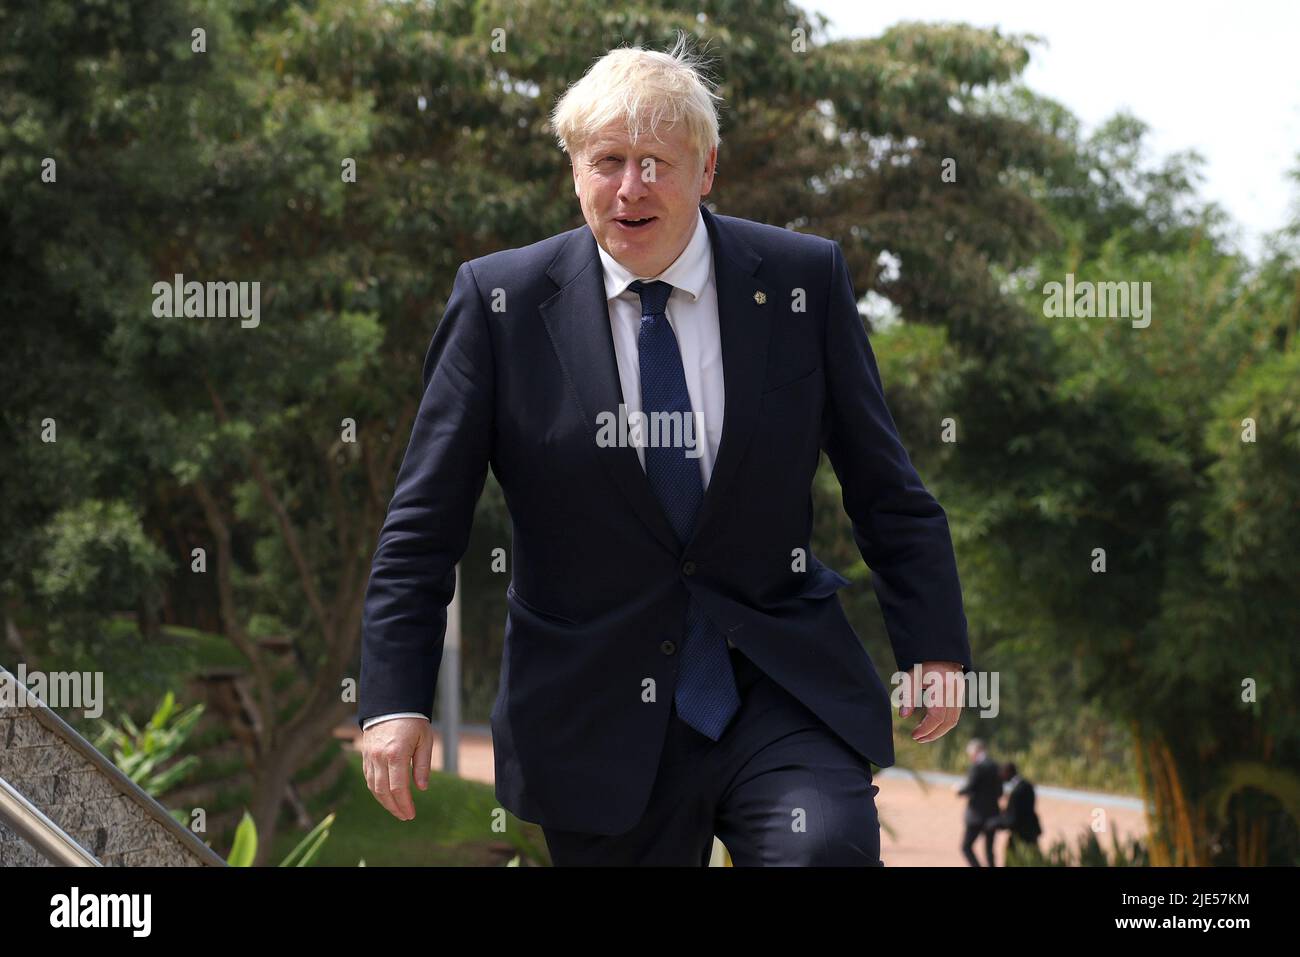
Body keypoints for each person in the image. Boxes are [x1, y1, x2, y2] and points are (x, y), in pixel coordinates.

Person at [356, 35, 972, 866]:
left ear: (707, 169)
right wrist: (394, 698)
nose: (630, 188)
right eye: (607, 160)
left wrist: (932, 641)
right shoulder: (498, 304)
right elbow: (422, 523)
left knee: (822, 851)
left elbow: (882, 481)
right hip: (593, 710)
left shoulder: (801, 281)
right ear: (574, 168)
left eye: (657, 162)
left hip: (777, 683)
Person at [985, 762, 1042, 864]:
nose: (1001, 776)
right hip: (1029, 833)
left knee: (1014, 861)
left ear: (1008, 772)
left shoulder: (1019, 790)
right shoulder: (1025, 785)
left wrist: (996, 823)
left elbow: (1014, 817)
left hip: (1022, 835)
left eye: (1002, 773)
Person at [956, 738, 1001, 867]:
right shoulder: (995, 766)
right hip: (993, 814)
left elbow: (969, 787)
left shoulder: (977, 767)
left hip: (976, 816)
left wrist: (958, 790)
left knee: (966, 847)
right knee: (989, 850)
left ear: (975, 752)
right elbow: (1000, 792)